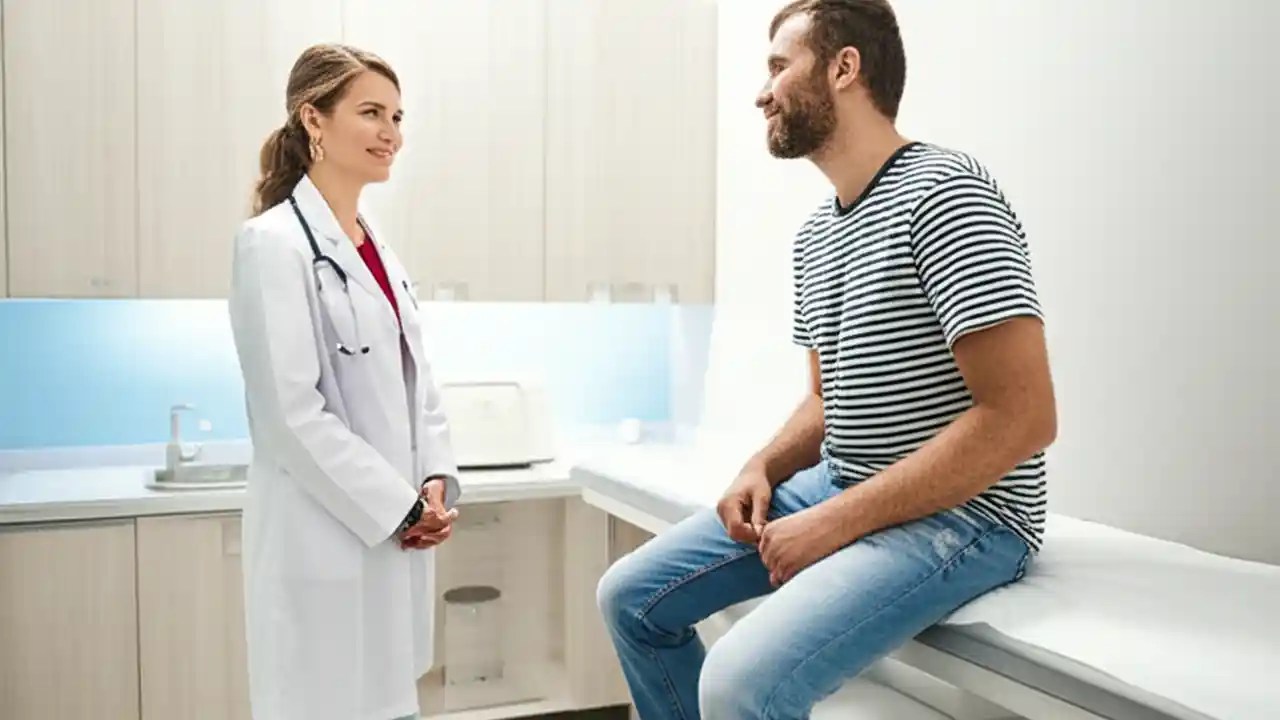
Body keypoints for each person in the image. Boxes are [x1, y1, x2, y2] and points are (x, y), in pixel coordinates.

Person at [596, 1, 1058, 717]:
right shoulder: (816, 236)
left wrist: (837, 523)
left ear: (845, 68)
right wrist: (763, 467)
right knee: (629, 598)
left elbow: (1022, 418)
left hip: (972, 516)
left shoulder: (947, 194)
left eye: (780, 66)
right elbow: (827, 399)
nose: (762, 91)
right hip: (847, 483)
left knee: (738, 682)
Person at [227, 43, 461, 720]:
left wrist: (436, 477)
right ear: (314, 120)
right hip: (323, 541)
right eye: (370, 112)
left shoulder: (375, 246)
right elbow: (290, 416)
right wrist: (399, 506)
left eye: (397, 115)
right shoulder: (271, 244)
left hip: (393, 536)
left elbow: (418, 385)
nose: (392, 132)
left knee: (388, 701)